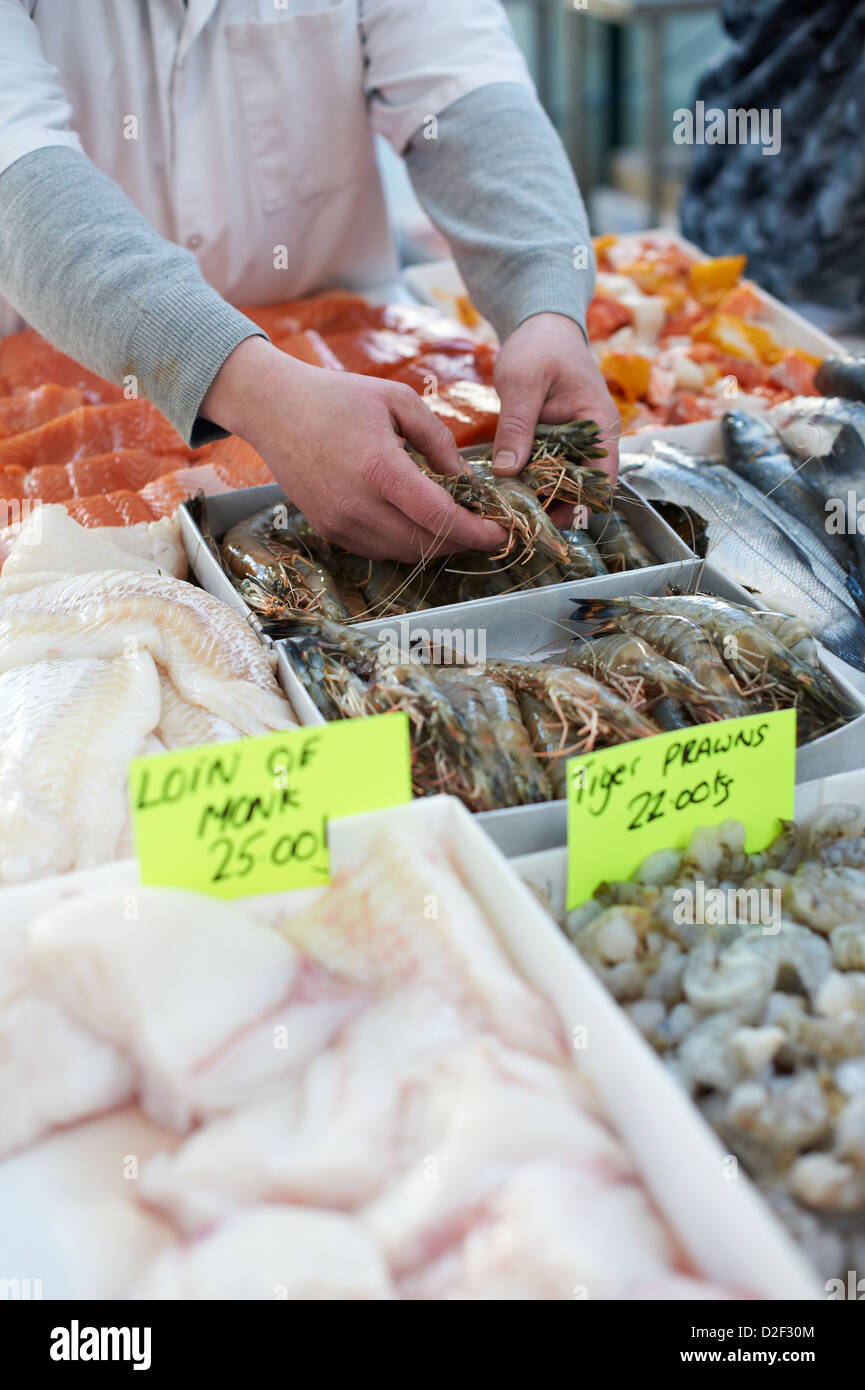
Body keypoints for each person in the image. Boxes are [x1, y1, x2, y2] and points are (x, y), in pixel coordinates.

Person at [0, 0, 618, 561]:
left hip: (354, 347)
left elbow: (464, 91)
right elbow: (18, 166)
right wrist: (262, 396)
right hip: (66, 349)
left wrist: (546, 306)